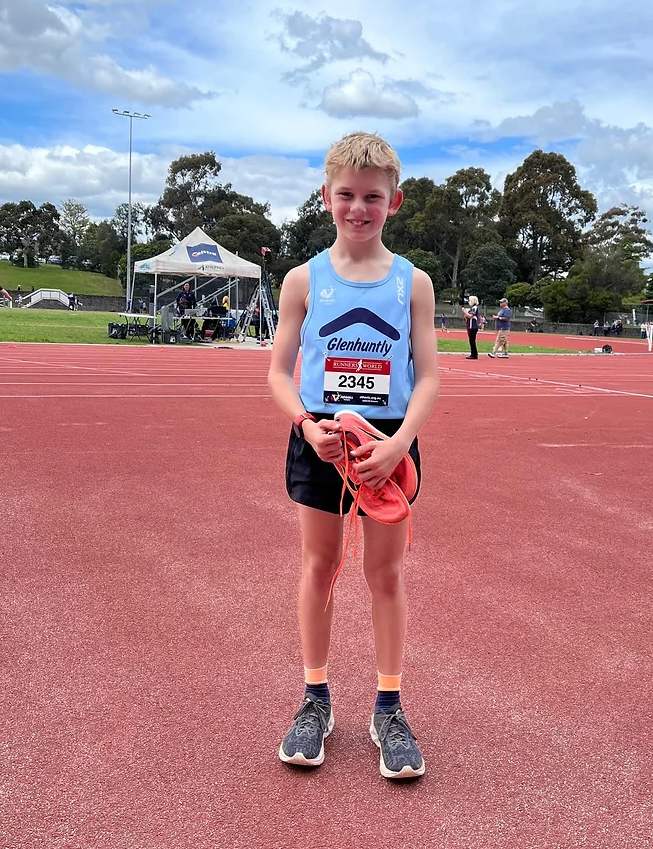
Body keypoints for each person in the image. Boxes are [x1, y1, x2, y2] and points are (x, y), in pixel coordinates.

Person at [267, 131, 439, 779]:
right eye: (346, 195)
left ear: (393, 202)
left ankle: (388, 707)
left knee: (384, 576)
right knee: (320, 565)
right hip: (319, 439)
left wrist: (397, 444)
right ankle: (315, 699)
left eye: (372, 197)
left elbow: (427, 377)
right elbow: (279, 372)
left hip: (388, 442)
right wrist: (305, 425)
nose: (358, 207)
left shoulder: (412, 283)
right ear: (326, 196)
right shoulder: (301, 279)